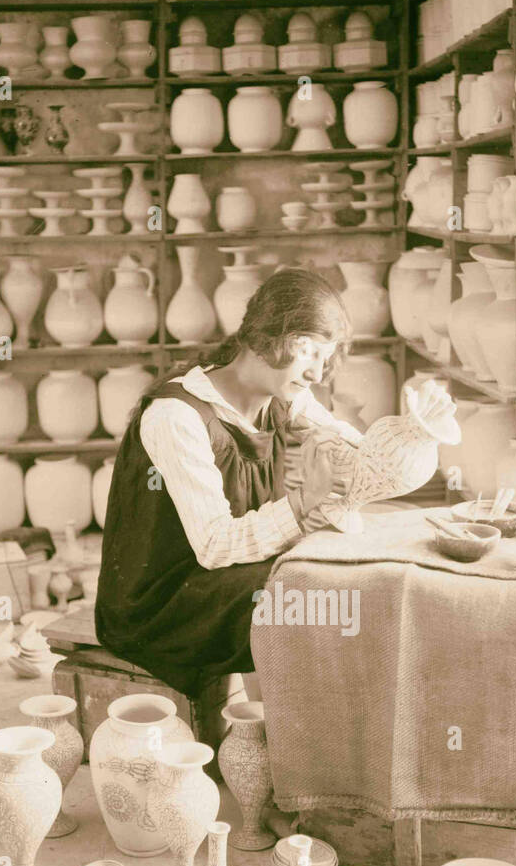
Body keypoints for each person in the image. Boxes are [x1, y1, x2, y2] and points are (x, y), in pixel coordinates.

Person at [95, 267, 363, 700]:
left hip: (225, 577)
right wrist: (303, 502)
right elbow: (216, 545)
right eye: (308, 352)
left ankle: (302, 733)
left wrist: (412, 437)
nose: (316, 373)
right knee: (311, 601)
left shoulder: (285, 393)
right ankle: (293, 738)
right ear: (271, 338)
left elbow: (350, 446)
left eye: (324, 358)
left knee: (340, 580)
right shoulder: (176, 415)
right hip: (162, 604)